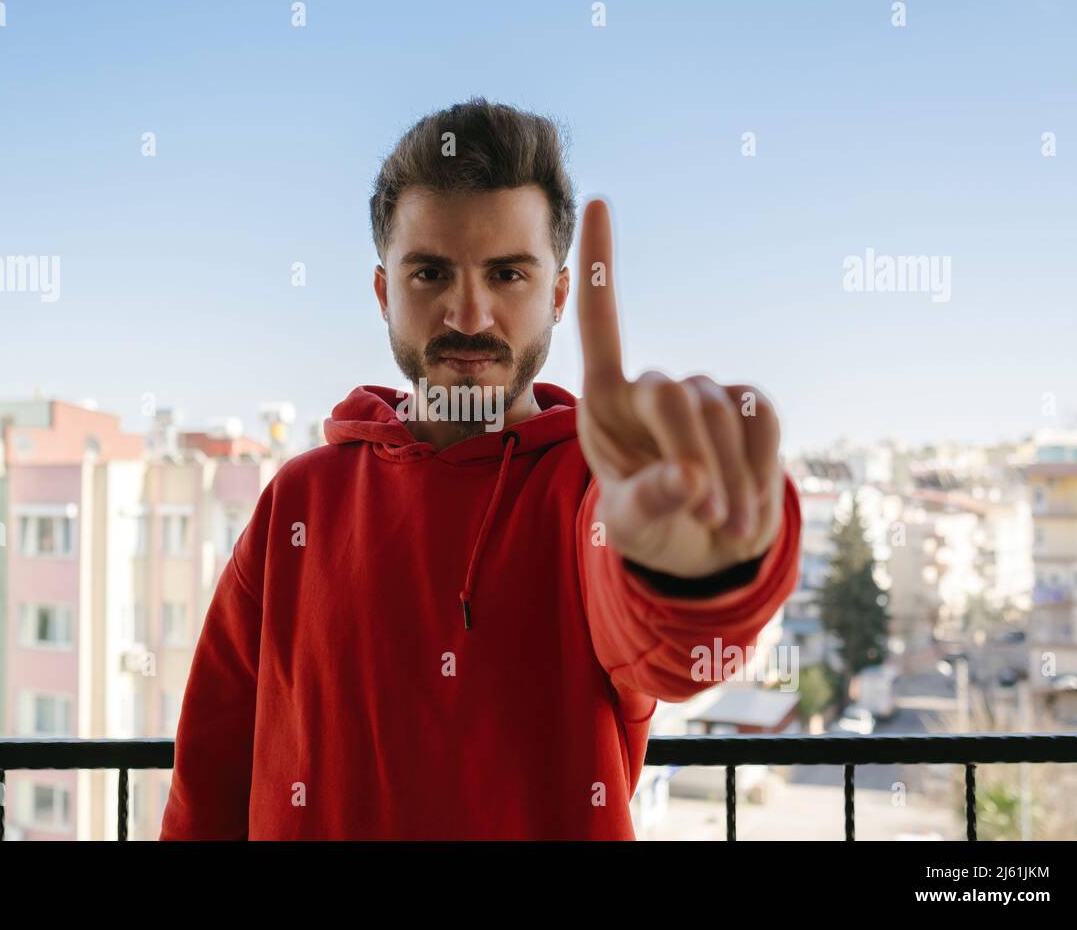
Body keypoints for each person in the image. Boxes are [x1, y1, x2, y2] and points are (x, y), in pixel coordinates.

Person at [160, 98, 802, 840]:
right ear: (384, 292)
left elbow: (668, 653)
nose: (469, 315)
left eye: (507, 274)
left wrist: (694, 574)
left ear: (560, 295)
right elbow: (207, 783)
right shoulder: (296, 502)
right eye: (431, 272)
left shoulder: (596, 495)